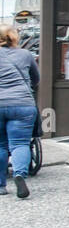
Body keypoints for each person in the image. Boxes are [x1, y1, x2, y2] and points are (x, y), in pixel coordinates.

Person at [0, 25, 40, 199]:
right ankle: (20, 174)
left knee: (0, 145)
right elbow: (36, 78)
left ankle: (1, 186)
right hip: (23, 104)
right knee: (20, 144)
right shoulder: (25, 54)